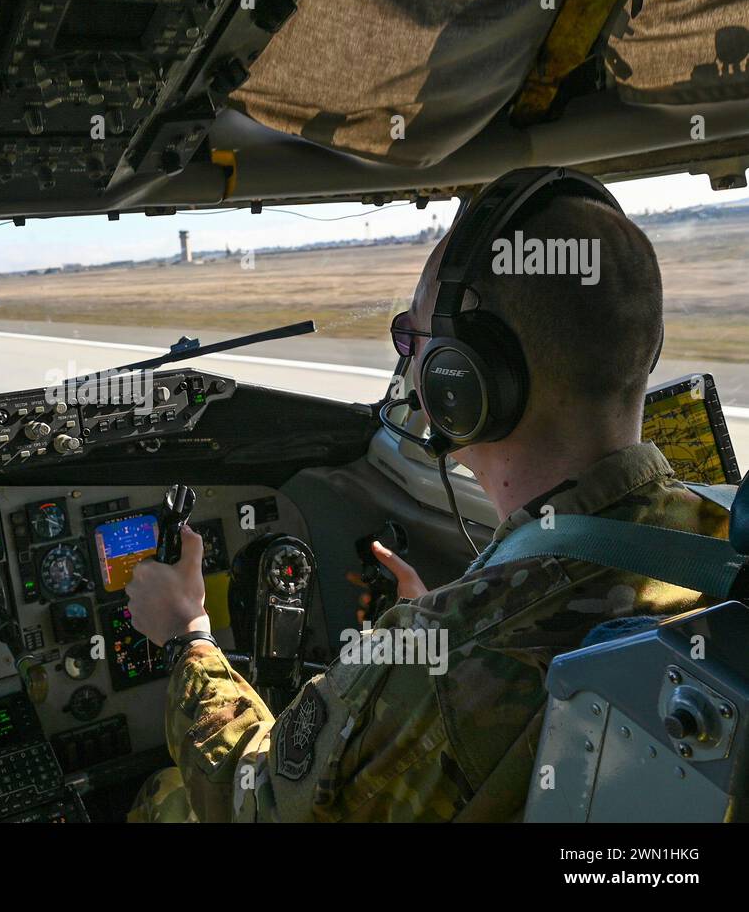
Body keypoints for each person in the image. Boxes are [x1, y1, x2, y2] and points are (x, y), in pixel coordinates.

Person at [124, 171, 732, 822]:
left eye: (412, 340)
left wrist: (187, 637)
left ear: (458, 382)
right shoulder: (725, 528)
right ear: (649, 348)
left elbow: (254, 800)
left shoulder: (433, 674)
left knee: (165, 798)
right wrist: (455, 610)